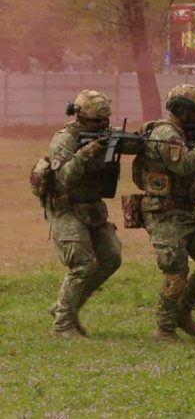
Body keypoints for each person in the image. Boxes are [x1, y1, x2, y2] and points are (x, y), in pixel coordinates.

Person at [139, 84, 195, 342]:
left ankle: (183, 312)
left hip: (186, 210)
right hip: (164, 212)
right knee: (176, 270)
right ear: (181, 111)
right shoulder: (167, 134)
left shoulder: (185, 133)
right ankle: (164, 328)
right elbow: (184, 165)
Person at [43, 90, 126, 337]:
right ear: (79, 117)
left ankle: (64, 307)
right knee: (81, 264)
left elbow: (131, 144)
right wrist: (85, 153)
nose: (102, 125)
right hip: (66, 207)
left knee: (111, 257)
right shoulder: (64, 140)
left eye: (105, 121)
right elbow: (65, 176)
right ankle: (63, 325)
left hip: (92, 207)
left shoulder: (106, 135)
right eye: (95, 122)